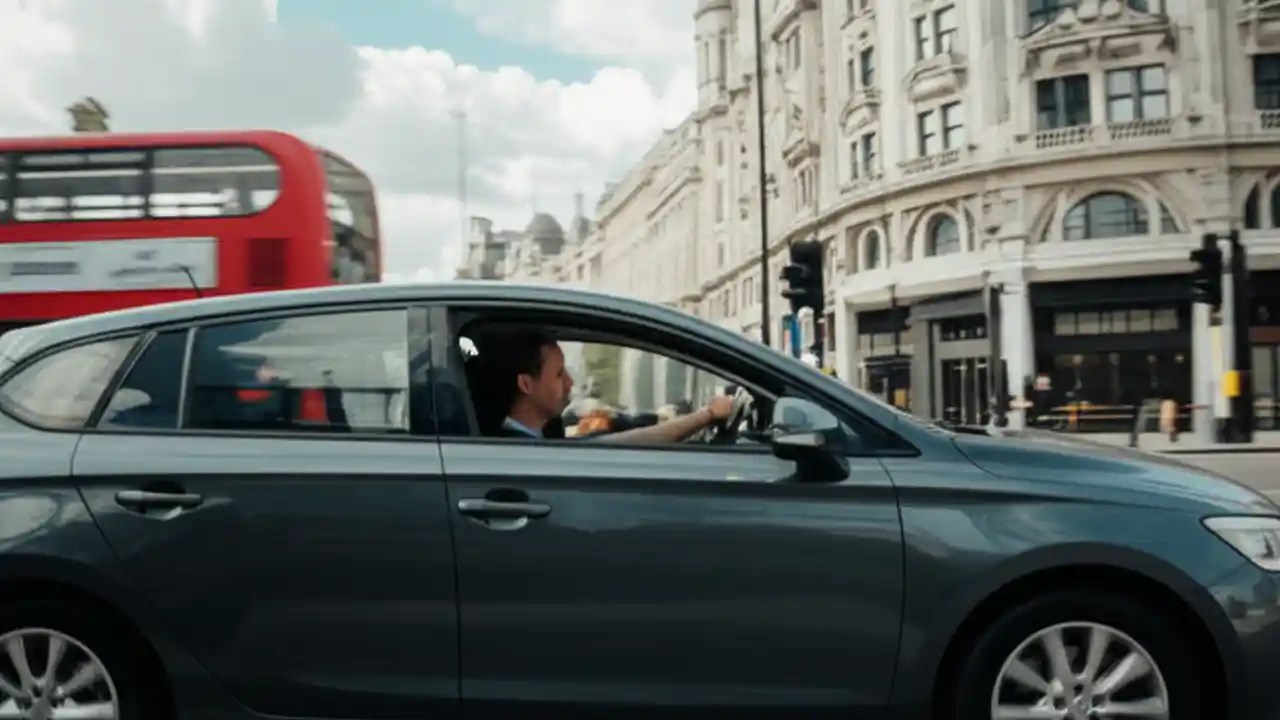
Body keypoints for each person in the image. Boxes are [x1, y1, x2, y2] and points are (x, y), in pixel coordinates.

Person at [497, 331, 734, 442]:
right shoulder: (521, 447)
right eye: (559, 374)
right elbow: (632, 442)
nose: (570, 382)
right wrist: (707, 414)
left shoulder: (536, 440)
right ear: (526, 384)